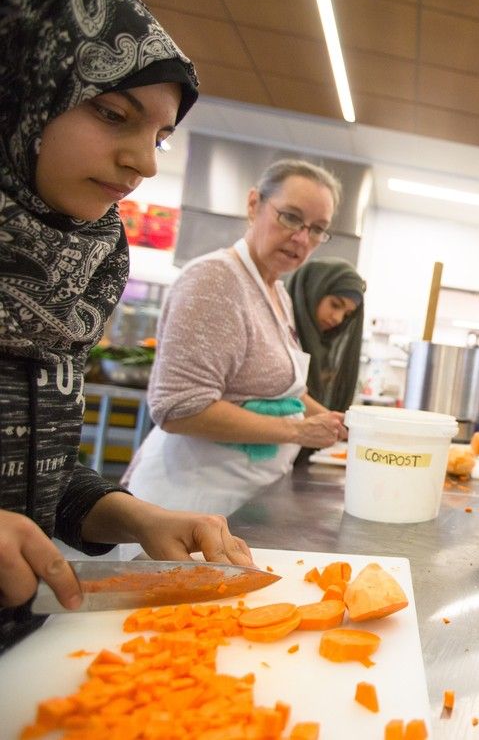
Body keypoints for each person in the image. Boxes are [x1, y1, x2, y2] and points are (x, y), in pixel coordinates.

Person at [0, 0, 253, 653]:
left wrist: (134, 516)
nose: (146, 161)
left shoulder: (77, 270)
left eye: (161, 136)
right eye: (113, 114)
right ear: (23, 88)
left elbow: (34, 473)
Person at [124, 160, 348, 517]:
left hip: (239, 498)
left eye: (317, 229)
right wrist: (297, 432)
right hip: (188, 501)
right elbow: (180, 408)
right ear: (254, 204)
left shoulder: (276, 292)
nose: (302, 238)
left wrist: (343, 426)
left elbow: (285, 390)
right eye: (290, 217)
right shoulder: (214, 281)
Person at [286, 258, 365, 413]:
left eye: (347, 314)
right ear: (312, 291)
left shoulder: (324, 350)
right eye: (335, 305)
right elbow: (287, 396)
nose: (338, 318)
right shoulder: (279, 332)